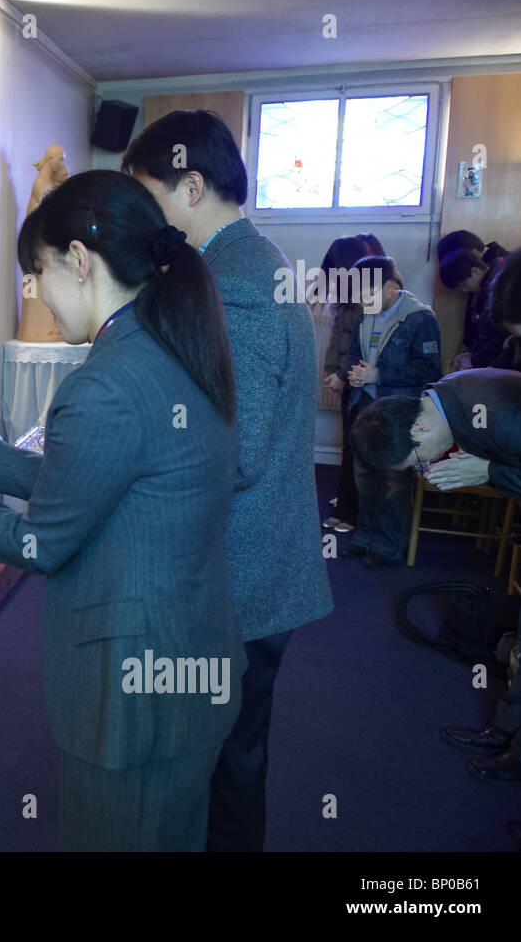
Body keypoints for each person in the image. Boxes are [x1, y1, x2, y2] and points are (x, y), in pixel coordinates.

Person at [0, 170, 244, 851]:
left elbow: (45, 541)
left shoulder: (106, 380)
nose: (36, 295)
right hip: (187, 649)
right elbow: (103, 480)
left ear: (78, 259)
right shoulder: (173, 343)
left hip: (131, 686)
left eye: (36, 272)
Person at [121, 109, 332, 852]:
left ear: (192, 184)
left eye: (151, 196)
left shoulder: (234, 283)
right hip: (266, 561)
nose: (148, 217)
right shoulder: (257, 261)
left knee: (221, 764)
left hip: (240, 572)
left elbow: (233, 455)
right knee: (235, 756)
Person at [352, 365, 521, 783]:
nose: (424, 469)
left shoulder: (497, 414)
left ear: (417, 430)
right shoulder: (446, 403)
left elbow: (513, 456)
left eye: (415, 463)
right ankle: (508, 733)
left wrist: (489, 473)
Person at [343, 256, 442, 568]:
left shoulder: (419, 317)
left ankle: (387, 546)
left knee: (392, 480)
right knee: (364, 476)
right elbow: (355, 354)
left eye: (366, 293)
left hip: (399, 413)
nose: (361, 300)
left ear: (389, 288)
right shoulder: (365, 315)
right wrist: (355, 373)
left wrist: (378, 375)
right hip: (366, 408)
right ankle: (365, 537)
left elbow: (429, 369)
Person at [317, 235, 375, 533]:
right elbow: (337, 339)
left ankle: (350, 511)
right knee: (348, 444)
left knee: (358, 446)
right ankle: (347, 503)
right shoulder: (346, 297)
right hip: (347, 379)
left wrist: (342, 373)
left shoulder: (369, 298)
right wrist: (331, 371)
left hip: (363, 382)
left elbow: (358, 346)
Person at [441, 248, 506, 369]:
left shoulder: (501, 286)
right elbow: (485, 330)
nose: (464, 290)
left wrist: (475, 360)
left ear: (475, 271)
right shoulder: (484, 286)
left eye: (463, 285)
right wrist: (471, 352)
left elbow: (503, 334)